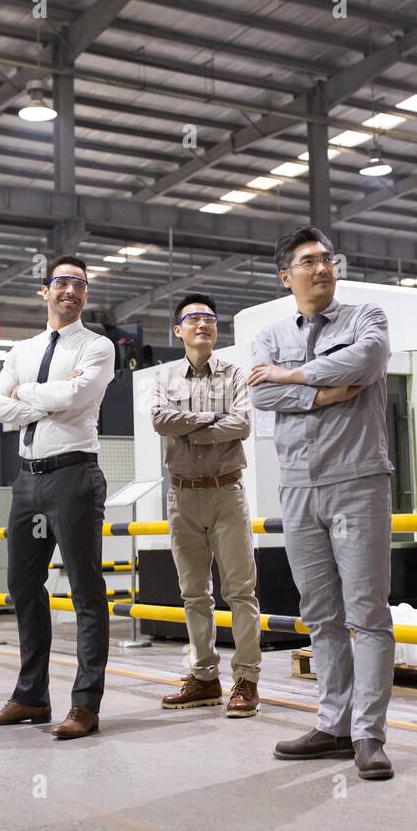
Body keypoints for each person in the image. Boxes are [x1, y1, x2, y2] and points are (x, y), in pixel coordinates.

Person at [247, 225, 396, 780]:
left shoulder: (366, 319)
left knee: (368, 614)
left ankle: (369, 735)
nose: (323, 267)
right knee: (322, 615)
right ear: (286, 276)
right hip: (297, 486)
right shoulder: (268, 333)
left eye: (328, 259)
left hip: (358, 481)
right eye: (309, 261)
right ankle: (334, 725)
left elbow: (369, 361)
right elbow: (258, 393)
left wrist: (292, 377)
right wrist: (323, 392)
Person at [0, 256, 115, 739]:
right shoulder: (23, 348)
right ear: (44, 291)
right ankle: (32, 695)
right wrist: (45, 395)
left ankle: (85, 704)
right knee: (22, 585)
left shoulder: (98, 347)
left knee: (85, 590)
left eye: (80, 284)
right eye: (62, 283)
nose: (71, 291)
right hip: (28, 480)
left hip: (74, 476)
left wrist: (27, 394)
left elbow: (78, 398)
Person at [150, 293, 262, 717]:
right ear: (178, 330)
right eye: (194, 318)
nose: (204, 324)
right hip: (182, 495)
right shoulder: (164, 378)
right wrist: (213, 422)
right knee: (194, 593)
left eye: (211, 319)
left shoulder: (235, 375)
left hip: (226, 493)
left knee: (240, 592)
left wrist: (191, 429)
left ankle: (246, 681)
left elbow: (244, 423)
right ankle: (204, 676)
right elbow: (160, 420)